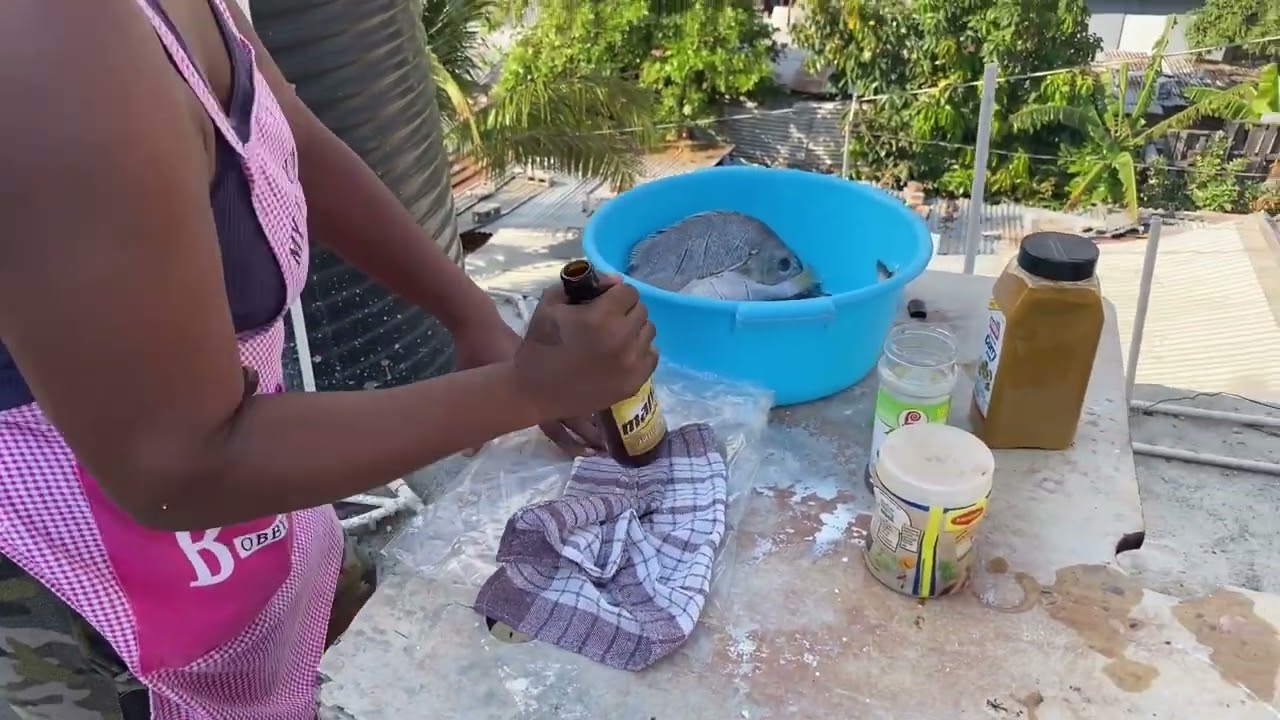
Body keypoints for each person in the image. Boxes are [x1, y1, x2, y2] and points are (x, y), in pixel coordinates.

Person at [0, 0, 659, 717]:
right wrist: (528, 390)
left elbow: (290, 138)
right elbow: (179, 466)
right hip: (85, 591)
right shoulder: (45, 42)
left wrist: (466, 312)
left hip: (250, 496)